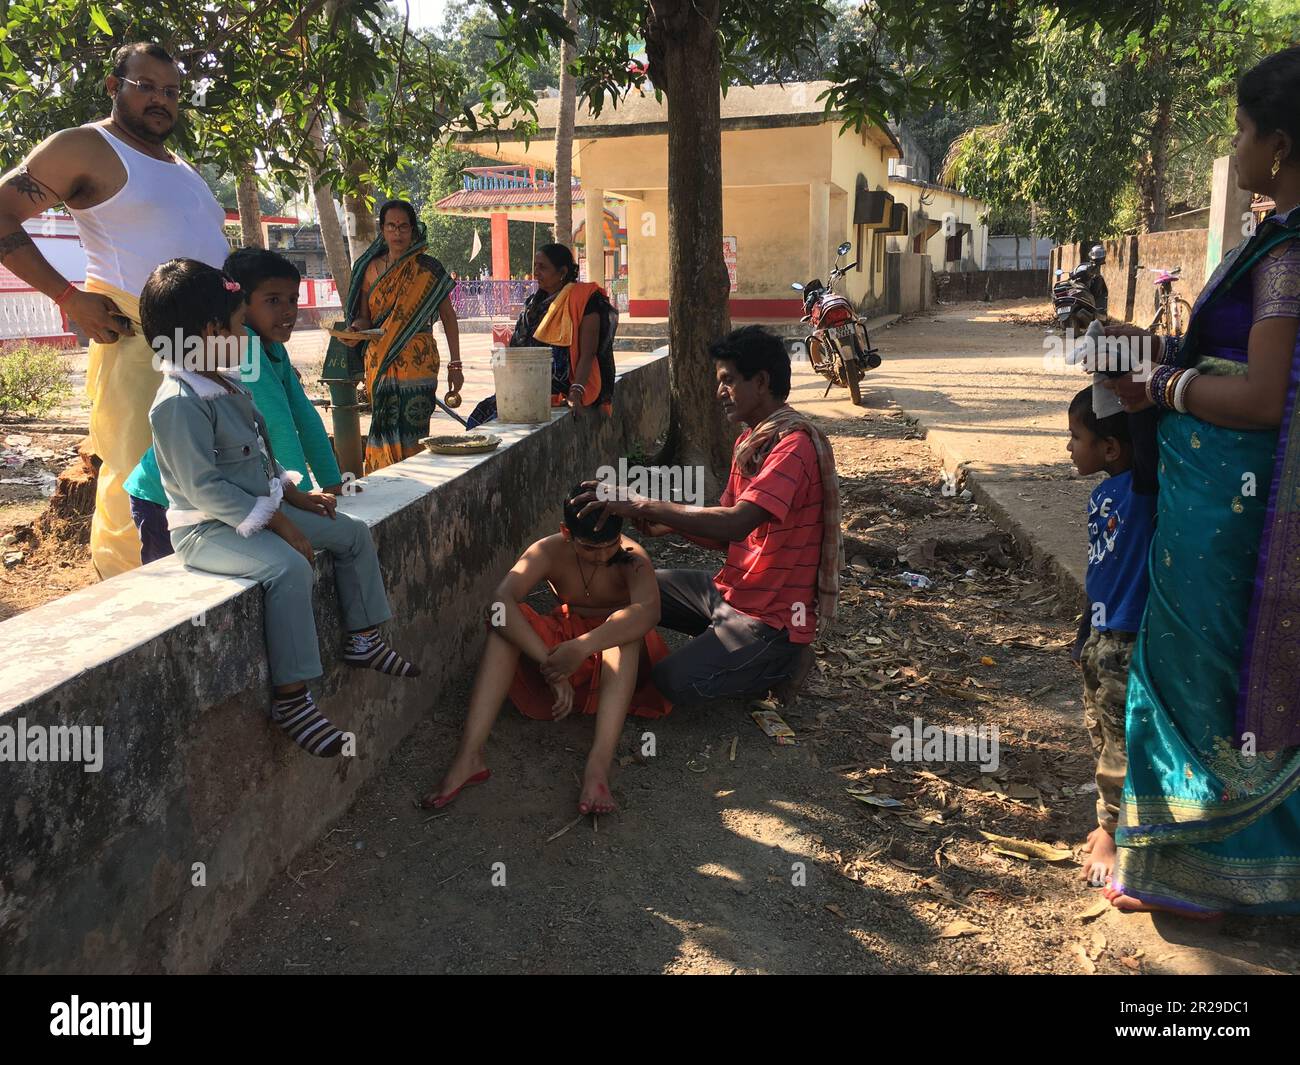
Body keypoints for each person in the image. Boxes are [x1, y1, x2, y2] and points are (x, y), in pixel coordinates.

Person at [1102, 46, 1300, 916]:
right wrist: (1155, 356)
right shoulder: (1272, 237)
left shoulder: (1291, 253)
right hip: (1207, 490)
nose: (1237, 141)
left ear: (1282, 146)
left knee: (1196, 672)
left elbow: (1261, 397)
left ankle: (1196, 869)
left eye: (1246, 129)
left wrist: (1163, 387)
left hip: (1232, 504)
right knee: (1190, 667)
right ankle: (1182, 859)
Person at [143, 258, 420, 757]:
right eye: (234, 325)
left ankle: (363, 637)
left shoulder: (226, 382)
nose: (240, 335)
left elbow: (262, 455)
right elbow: (204, 489)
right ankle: (293, 699)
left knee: (351, 533)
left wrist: (294, 496)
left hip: (257, 516)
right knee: (288, 568)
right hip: (207, 532)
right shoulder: (178, 402)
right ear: (209, 331)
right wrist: (282, 523)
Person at [0, 42, 231, 578]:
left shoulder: (180, 166)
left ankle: (207, 593)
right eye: (144, 86)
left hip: (215, 341)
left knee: (217, 464)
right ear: (113, 85)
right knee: (139, 476)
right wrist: (68, 297)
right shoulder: (85, 146)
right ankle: (132, 600)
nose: (160, 100)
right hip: (136, 334)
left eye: (171, 92)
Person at [577, 325, 842, 705]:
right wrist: (668, 525)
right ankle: (724, 645)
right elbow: (727, 535)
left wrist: (639, 503)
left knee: (671, 681)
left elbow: (737, 520)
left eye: (728, 381)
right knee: (626, 584)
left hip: (771, 619)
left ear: (762, 381)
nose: (720, 392)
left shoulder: (793, 447)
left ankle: (783, 662)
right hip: (730, 594)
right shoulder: (749, 444)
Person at [422, 486, 670, 815]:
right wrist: (550, 666)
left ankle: (598, 768)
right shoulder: (548, 550)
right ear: (566, 533)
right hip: (564, 656)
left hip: (614, 663)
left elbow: (649, 612)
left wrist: (583, 647)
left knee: (624, 627)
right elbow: (500, 603)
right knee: (505, 624)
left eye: (609, 546)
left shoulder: (632, 558)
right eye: (589, 548)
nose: (602, 556)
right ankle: (469, 756)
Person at [124, 246, 351, 563]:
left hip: (226, 497)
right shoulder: (244, 352)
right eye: (272, 301)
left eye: (292, 299)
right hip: (169, 500)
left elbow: (302, 416)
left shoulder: (264, 350)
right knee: (184, 588)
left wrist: (329, 484)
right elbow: (278, 426)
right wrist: (298, 498)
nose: (287, 311)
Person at [1066, 387, 1155, 888]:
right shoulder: (1101, 494)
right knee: (1099, 733)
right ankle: (1113, 820)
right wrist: (1083, 637)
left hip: (1127, 639)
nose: (1069, 447)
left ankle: (1113, 834)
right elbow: (1099, 574)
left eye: (1076, 437)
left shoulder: (1143, 489)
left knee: (1120, 743)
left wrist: (1125, 382)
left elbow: (1145, 437)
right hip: (1100, 637)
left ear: (1112, 447)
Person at [342, 199, 460, 472]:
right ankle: (383, 483)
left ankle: (415, 489)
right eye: (391, 226)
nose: (398, 233)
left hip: (418, 362)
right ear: (382, 230)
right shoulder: (369, 268)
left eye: (404, 227)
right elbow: (363, 318)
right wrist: (354, 331)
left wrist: (456, 364)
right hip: (381, 359)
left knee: (414, 429)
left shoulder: (429, 269)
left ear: (413, 230)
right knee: (383, 427)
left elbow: (448, 316)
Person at [465, 243, 617, 428]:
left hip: (564, 384)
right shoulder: (533, 304)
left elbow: (588, 353)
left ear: (562, 272)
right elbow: (518, 346)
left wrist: (576, 392)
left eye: (542, 267)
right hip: (529, 381)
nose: (536, 272)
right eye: (535, 266)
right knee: (482, 413)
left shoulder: (585, 299)